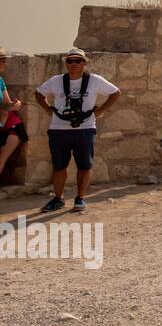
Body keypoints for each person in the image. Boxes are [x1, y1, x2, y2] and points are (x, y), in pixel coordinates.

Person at [35, 48, 120, 213]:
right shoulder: (56, 80)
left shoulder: (95, 80)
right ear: (66, 63)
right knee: (59, 166)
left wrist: (99, 112)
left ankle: (80, 198)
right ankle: (58, 198)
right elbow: (38, 94)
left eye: (77, 61)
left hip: (85, 128)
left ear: (84, 63)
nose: (73, 64)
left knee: (84, 165)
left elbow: (115, 93)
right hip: (59, 129)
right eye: (70, 61)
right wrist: (49, 110)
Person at [0, 48, 29, 177]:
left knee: (2, 157)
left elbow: (5, 105)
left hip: (2, 124)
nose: (5, 64)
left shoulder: (0, 81)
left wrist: (13, 105)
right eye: (2, 60)